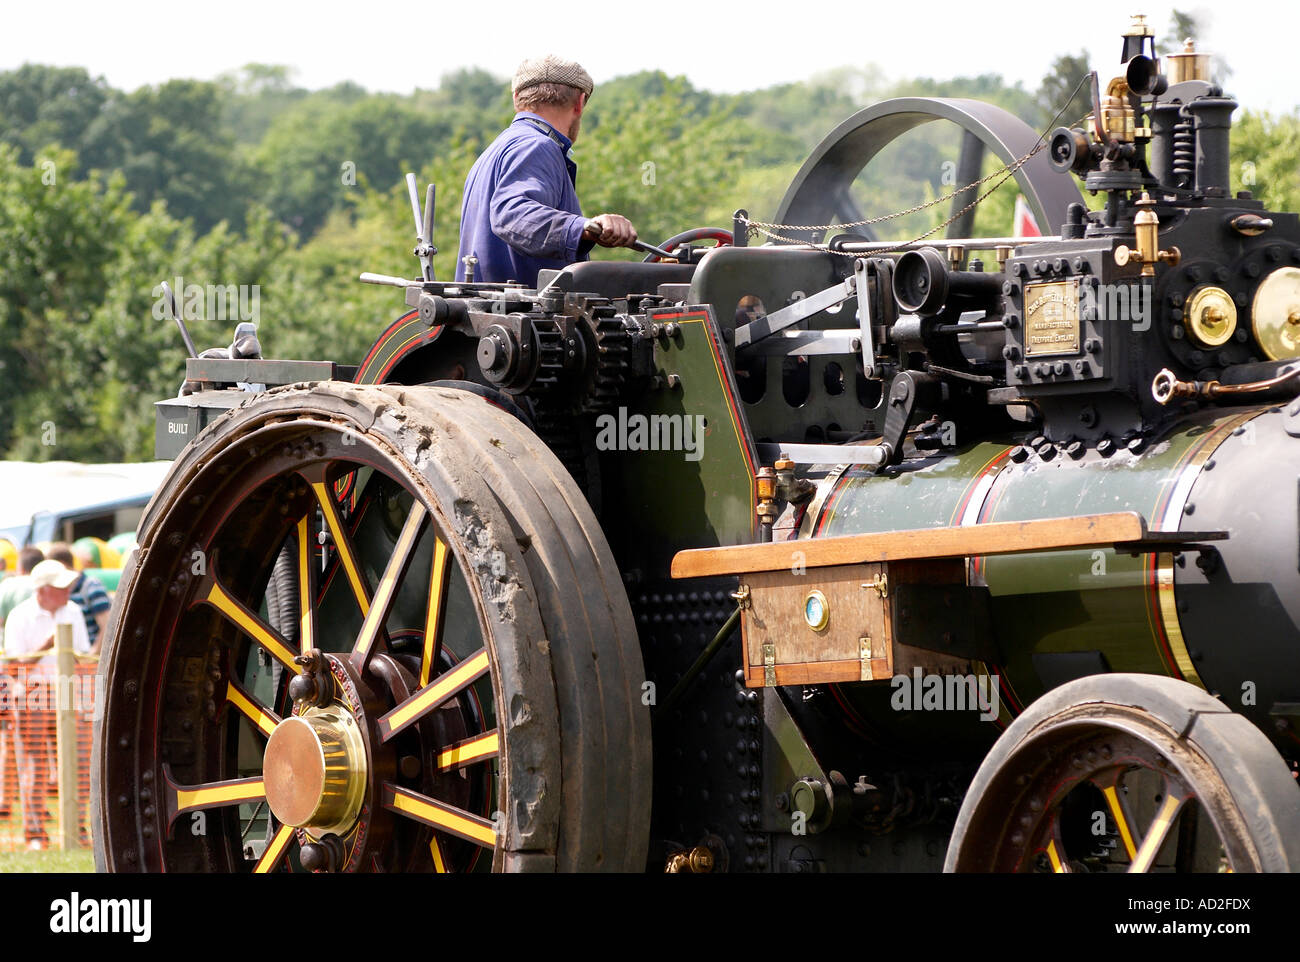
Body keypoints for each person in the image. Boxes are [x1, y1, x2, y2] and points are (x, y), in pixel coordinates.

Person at [456, 55, 638, 287]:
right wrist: (583, 227)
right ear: (580, 102)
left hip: (481, 313)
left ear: (516, 99)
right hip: (524, 318)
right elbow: (511, 214)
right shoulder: (538, 146)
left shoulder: (491, 153)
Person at [3, 560, 90, 848]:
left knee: (77, 764)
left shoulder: (74, 611)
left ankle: (77, 831)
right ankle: (36, 834)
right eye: (62, 585)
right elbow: (16, 665)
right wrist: (50, 643)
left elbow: (84, 656)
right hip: (31, 694)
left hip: (68, 693)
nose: (69, 589)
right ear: (44, 590)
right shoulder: (19, 615)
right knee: (33, 765)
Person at [48, 543, 110, 655]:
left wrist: (92, 654)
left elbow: (107, 626)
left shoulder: (91, 586)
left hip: (91, 661)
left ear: (62, 565)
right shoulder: (60, 591)